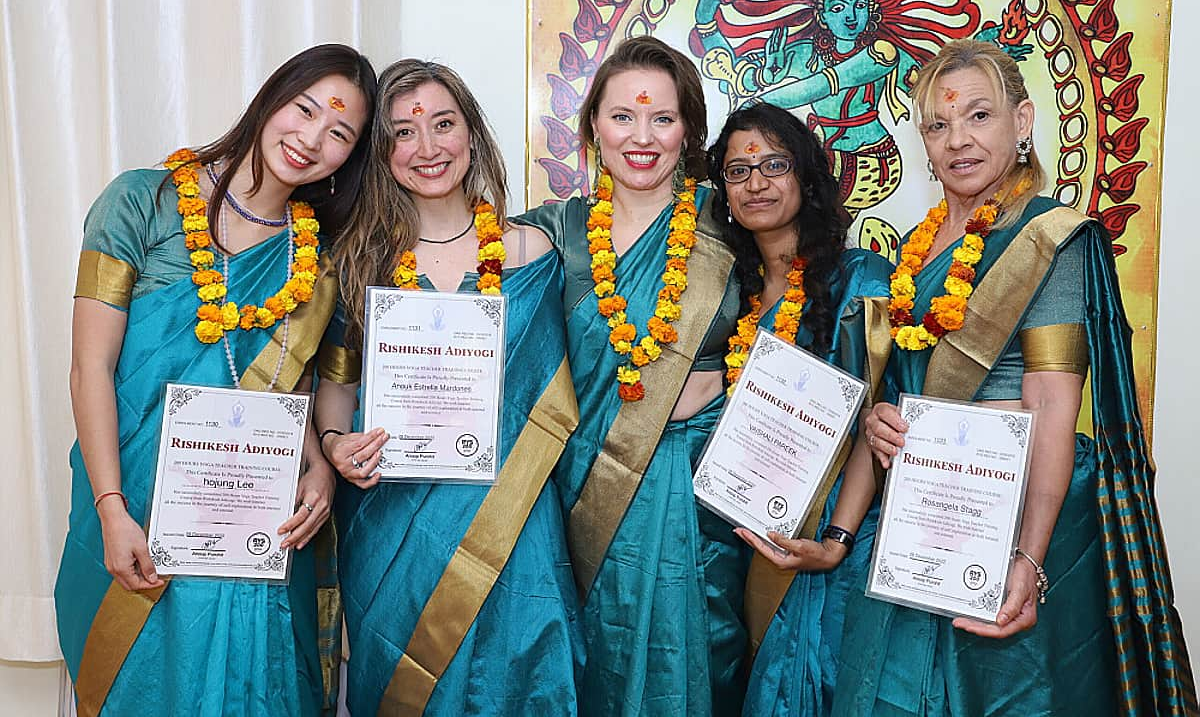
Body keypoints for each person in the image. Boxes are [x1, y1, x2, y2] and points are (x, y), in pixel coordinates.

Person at [833, 39, 1197, 716]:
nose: (957, 140)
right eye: (938, 126)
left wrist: (1029, 560)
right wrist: (882, 420)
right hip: (925, 512)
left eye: (979, 116)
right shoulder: (922, 240)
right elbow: (907, 382)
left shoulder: (1048, 236)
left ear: (1022, 122)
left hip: (1014, 509)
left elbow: (1053, 402)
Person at [55, 44, 377, 716]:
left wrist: (318, 468)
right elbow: (91, 366)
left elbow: (296, 389)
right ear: (269, 100)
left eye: (339, 133)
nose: (312, 138)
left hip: (255, 519)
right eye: (305, 108)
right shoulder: (142, 201)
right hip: (143, 508)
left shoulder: (318, 255)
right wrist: (112, 508)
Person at [314, 59, 582, 716]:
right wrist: (332, 442)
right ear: (382, 152)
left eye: (443, 124)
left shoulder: (532, 256)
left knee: (521, 682)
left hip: (512, 523)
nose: (428, 148)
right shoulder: (356, 258)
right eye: (404, 132)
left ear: (472, 133)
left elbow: (559, 397)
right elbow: (335, 385)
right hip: (391, 520)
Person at [516, 35, 746, 716]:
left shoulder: (732, 223)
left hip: (701, 491)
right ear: (591, 128)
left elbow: (809, 295)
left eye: (662, 119)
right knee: (596, 660)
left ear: (690, 132)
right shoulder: (554, 231)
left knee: (704, 659)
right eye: (622, 117)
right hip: (586, 488)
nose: (641, 137)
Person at [705, 102, 892, 716]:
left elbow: (880, 422)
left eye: (774, 164)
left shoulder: (862, 281)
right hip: (741, 539)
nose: (756, 183)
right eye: (738, 171)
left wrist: (836, 537)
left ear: (808, 177)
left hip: (831, 548)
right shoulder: (727, 292)